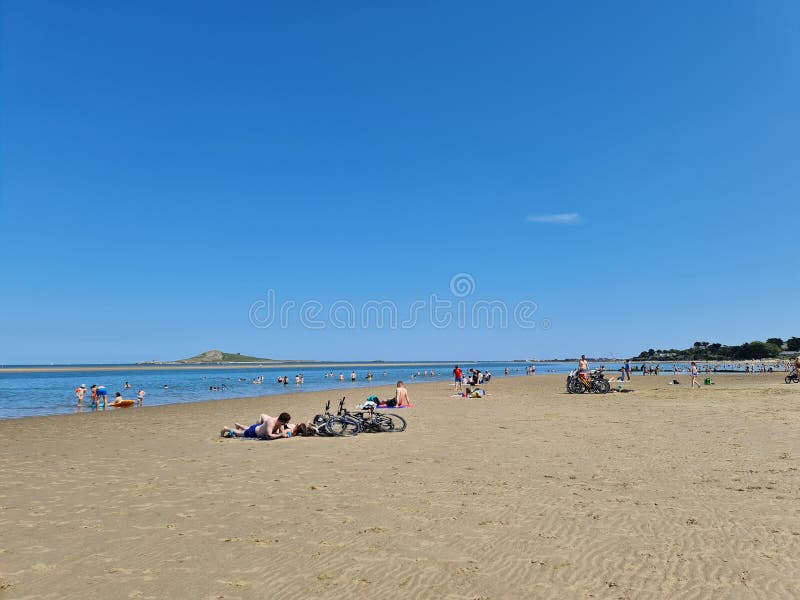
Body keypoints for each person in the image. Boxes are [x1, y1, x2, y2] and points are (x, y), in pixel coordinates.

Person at [220, 412, 311, 439]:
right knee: (239, 433)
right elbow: (269, 435)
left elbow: (282, 428)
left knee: (244, 429)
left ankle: (238, 424)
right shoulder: (271, 422)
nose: (286, 424)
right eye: (285, 422)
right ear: (281, 420)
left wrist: (283, 432)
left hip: (257, 428)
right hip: (254, 432)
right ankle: (226, 428)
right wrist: (281, 435)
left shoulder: (280, 422)